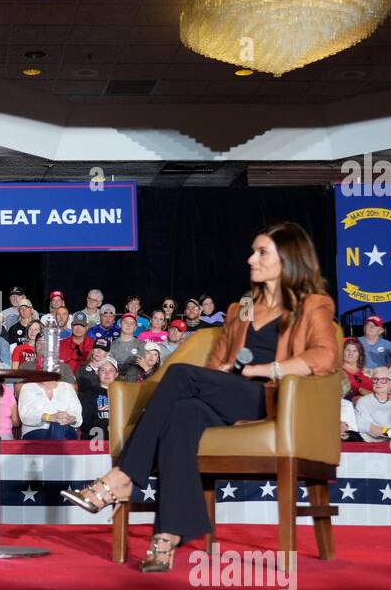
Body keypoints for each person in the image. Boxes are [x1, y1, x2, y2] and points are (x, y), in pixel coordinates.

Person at [61, 221, 338, 572]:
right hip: (228, 392)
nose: (251, 258)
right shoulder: (243, 308)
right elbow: (221, 358)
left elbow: (325, 357)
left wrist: (268, 370)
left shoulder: (312, 305)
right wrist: (223, 371)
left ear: (288, 258)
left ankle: (122, 477)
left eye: (262, 252)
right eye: (253, 251)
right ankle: (168, 535)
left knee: (178, 374)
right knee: (182, 415)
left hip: (271, 397)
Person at [19, 372, 82, 439]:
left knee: (59, 424)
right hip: (35, 432)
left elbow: (78, 417)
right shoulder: (29, 387)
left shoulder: (67, 387)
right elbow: (26, 416)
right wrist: (49, 417)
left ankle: (55, 446)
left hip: (65, 430)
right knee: (58, 426)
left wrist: (71, 419)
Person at [79, 357, 117, 440]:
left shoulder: (122, 394)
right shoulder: (89, 394)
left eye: (111, 370)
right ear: (97, 373)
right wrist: (105, 429)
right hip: (95, 440)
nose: (107, 373)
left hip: (118, 440)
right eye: (103, 370)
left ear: (116, 374)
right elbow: (85, 420)